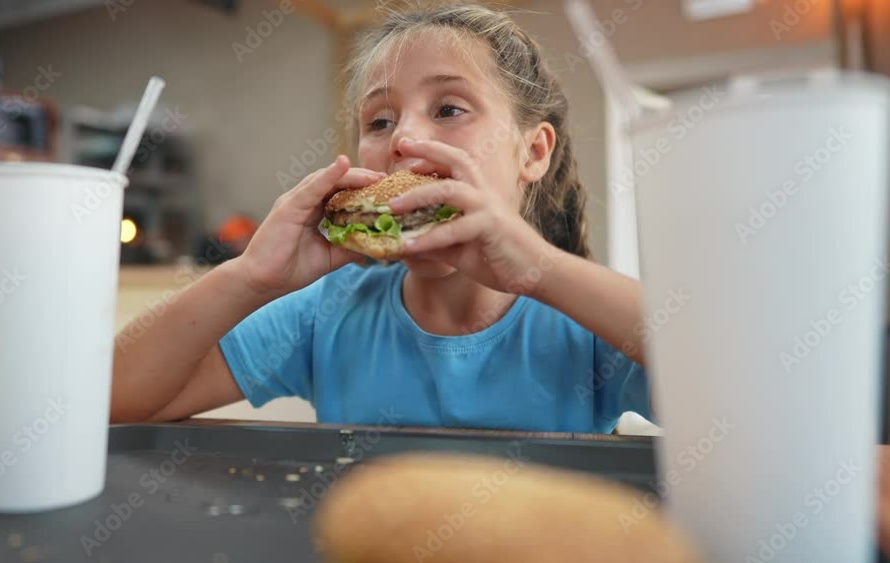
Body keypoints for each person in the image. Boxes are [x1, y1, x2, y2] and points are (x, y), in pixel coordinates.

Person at [110, 3, 652, 433]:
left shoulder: (583, 324)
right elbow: (113, 400)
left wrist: (541, 268)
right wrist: (249, 277)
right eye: (379, 120)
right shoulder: (327, 311)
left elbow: (734, 392)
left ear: (533, 152)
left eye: (448, 109)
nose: (404, 139)